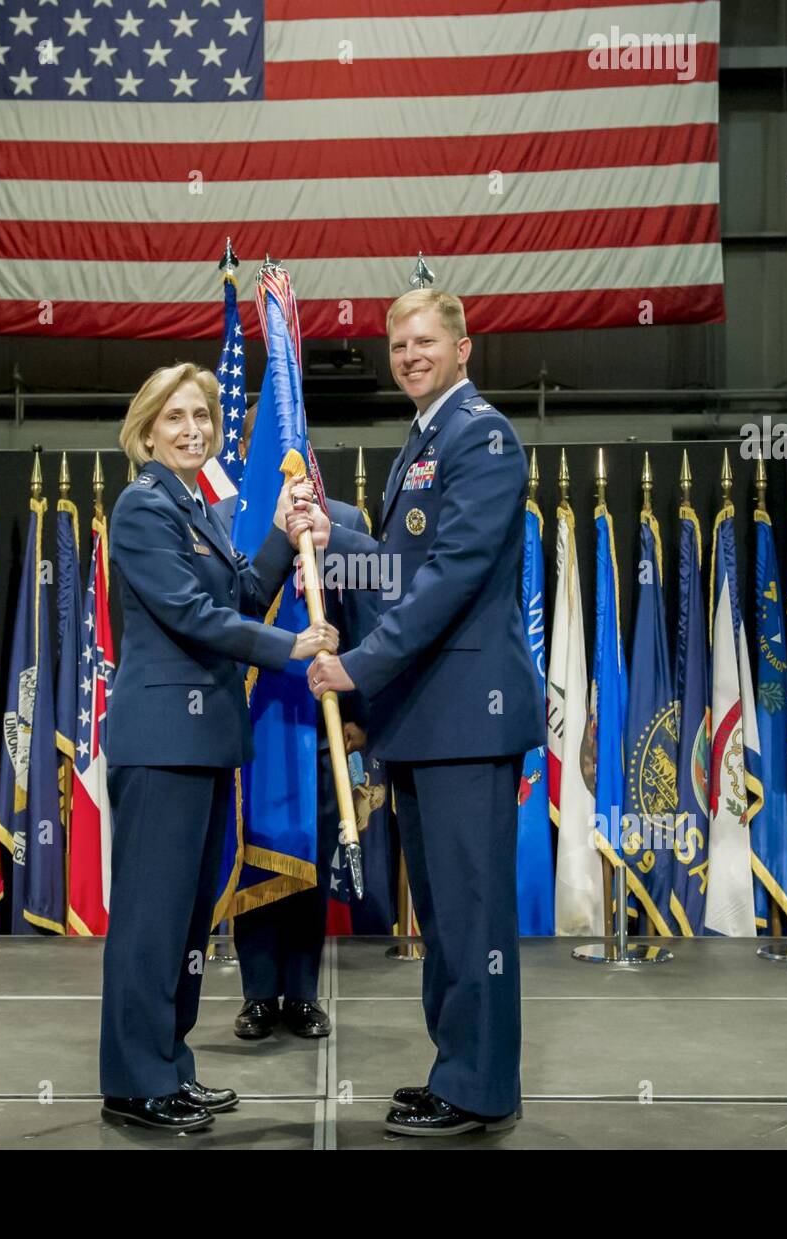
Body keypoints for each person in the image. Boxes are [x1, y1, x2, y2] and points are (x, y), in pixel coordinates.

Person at [288, 289, 544, 1136]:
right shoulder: (425, 441)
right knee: (443, 917)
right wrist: (333, 537)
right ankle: (458, 1070)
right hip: (430, 722)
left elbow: (448, 581)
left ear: (464, 347)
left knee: (472, 916)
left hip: (469, 717)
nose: (408, 354)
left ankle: (480, 1087)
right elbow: (401, 571)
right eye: (397, 343)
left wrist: (353, 666)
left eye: (425, 340)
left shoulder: (482, 436)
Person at [99, 363, 337, 1132]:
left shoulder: (194, 507)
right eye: (176, 417)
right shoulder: (144, 508)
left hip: (201, 745)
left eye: (203, 414)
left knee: (186, 924)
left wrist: (280, 527)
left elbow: (239, 591)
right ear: (146, 429)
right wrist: (291, 645)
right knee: (150, 923)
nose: (194, 428)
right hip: (162, 744)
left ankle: (169, 1064)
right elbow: (196, 614)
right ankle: (135, 1083)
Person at [213, 405, 373, 1041]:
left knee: (314, 845)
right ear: (248, 450)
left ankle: (303, 993)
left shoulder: (349, 524)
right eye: (264, 444)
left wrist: (361, 717)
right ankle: (257, 995)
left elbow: (369, 621)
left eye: (292, 444)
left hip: (320, 715)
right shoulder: (223, 523)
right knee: (255, 850)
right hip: (249, 717)